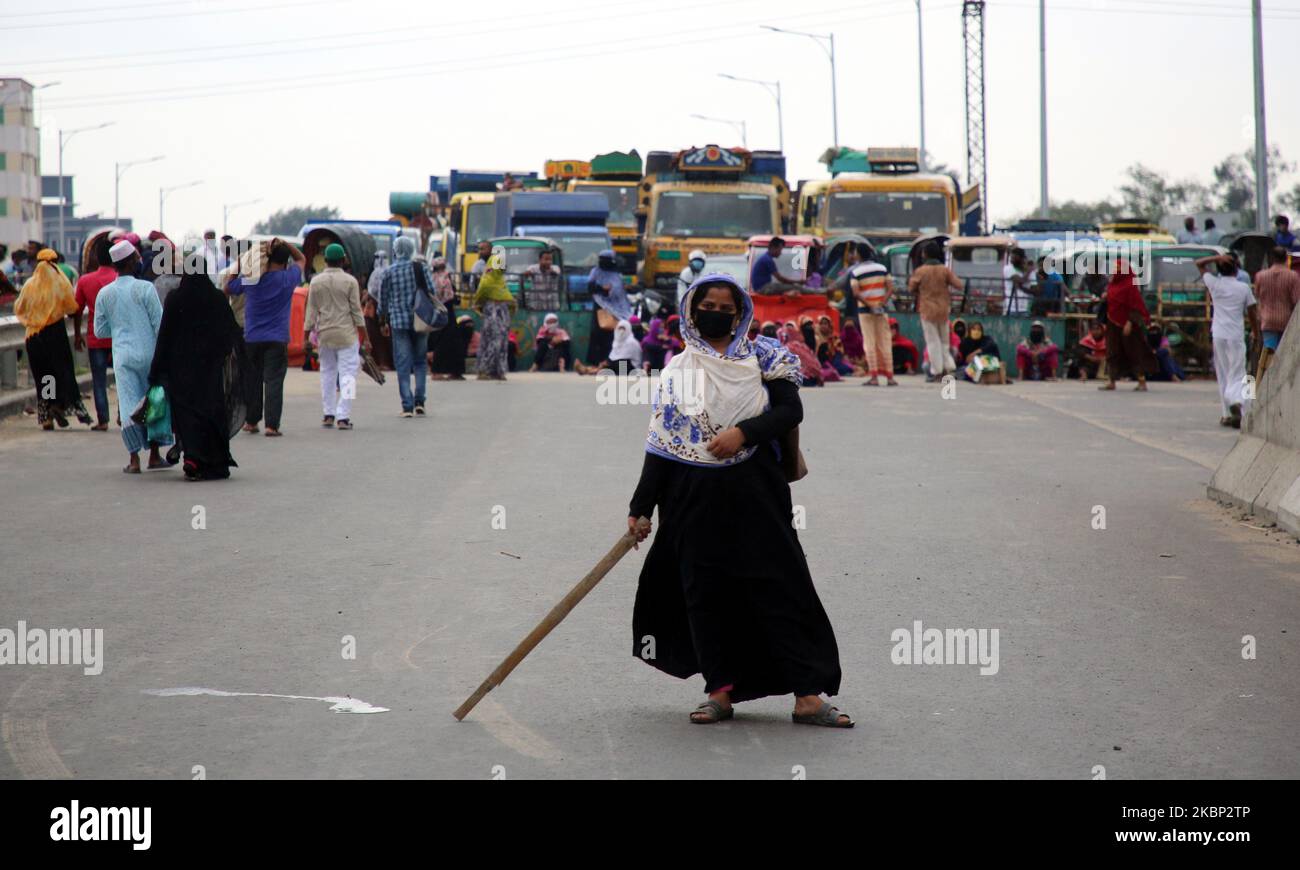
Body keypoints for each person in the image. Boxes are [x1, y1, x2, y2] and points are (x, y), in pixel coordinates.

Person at [627, 272, 849, 727]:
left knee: (781, 584)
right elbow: (660, 445)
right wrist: (640, 508)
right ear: (692, 310)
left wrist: (743, 433)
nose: (717, 314)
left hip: (757, 490)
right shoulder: (677, 370)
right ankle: (719, 692)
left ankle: (808, 695)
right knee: (704, 593)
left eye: (727, 308)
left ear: (740, 313)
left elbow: (791, 409)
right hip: (691, 498)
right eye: (708, 305)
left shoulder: (765, 355)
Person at [148, 250, 245, 480]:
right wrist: (221, 355)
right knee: (211, 411)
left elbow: (165, 335)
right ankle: (213, 461)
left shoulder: (175, 298)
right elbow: (229, 334)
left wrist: (157, 369)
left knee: (187, 414)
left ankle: (192, 457)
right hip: (210, 368)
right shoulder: (217, 298)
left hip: (180, 369)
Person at [94, 240, 173, 471]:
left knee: (129, 404)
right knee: (152, 401)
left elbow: (100, 330)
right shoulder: (146, 288)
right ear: (130, 262)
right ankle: (155, 455)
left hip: (123, 356)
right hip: (149, 352)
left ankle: (134, 459)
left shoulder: (105, 293)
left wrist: (119, 329)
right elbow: (159, 324)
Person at [227, 238, 304, 435]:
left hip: (252, 337)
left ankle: (251, 422)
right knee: (274, 381)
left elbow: (229, 286)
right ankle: (271, 425)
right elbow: (301, 258)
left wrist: (242, 262)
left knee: (252, 379)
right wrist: (286, 245)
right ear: (285, 262)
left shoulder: (252, 279)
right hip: (277, 338)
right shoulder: (288, 279)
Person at [13, 249, 93, 431]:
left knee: (44, 376)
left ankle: (46, 417)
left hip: (33, 336)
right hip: (55, 334)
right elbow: (72, 308)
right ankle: (61, 405)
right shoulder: (60, 281)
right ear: (54, 261)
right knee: (62, 373)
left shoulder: (30, 284)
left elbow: (19, 307)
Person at [305, 243, 367, 429]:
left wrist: (305, 336)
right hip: (346, 335)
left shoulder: (316, 281)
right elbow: (357, 312)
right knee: (348, 375)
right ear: (342, 261)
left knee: (327, 373)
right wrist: (365, 337)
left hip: (324, 334)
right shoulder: (350, 281)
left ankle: (328, 414)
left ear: (325, 261)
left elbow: (311, 312)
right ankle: (343, 417)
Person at [1196, 254, 1259, 428]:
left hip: (1218, 335)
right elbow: (1252, 313)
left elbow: (1199, 263)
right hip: (1236, 336)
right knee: (1238, 372)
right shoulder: (1243, 287)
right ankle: (1237, 403)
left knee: (1223, 373)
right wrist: (1256, 333)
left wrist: (1217, 257)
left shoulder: (1214, 284)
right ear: (1237, 270)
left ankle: (1226, 414)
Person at [381, 236, 437, 409]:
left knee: (403, 364)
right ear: (411, 249)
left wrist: (382, 319)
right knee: (420, 361)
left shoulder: (389, 272)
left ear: (396, 250)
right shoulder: (421, 268)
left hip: (398, 323)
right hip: (420, 320)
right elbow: (432, 292)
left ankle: (407, 404)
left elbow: (383, 300)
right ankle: (420, 400)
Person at [73, 234, 119, 431]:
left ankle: (103, 420)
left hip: (95, 337)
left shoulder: (85, 281)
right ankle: (124, 417)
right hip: (119, 337)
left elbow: (76, 310)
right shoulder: (120, 279)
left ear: (96, 258)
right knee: (123, 379)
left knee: (99, 381)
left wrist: (77, 335)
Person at [1098, 258, 1157, 392]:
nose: (1115, 272)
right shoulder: (1112, 284)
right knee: (1112, 352)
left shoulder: (1130, 285)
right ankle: (1111, 381)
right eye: (1114, 269)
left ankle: (1141, 381)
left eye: (1118, 269)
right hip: (1112, 322)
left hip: (1129, 324)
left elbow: (1135, 306)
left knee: (1134, 351)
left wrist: (1130, 322)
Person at [907, 240, 962, 381]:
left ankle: (936, 371)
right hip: (943, 309)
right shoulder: (944, 270)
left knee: (933, 342)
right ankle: (949, 368)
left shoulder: (921, 271)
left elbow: (911, 287)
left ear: (925, 254)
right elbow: (959, 284)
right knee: (944, 341)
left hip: (927, 309)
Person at [578, 249, 631, 374]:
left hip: (617, 308)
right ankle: (596, 362)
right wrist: (603, 288)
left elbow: (620, 291)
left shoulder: (616, 273)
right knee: (598, 333)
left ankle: (608, 362)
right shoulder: (595, 272)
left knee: (612, 334)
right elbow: (590, 288)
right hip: (601, 307)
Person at [1253, 246, 1300, 380]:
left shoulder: (1261, 276)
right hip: (1286, 322)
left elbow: (1258, 296)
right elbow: (1296, 300)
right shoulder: (1292, 276)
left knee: (1269, 354)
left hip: (1267, 321)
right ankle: (1281, 381)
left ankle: (1267, 382)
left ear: (1272, 259)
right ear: (1286, 258)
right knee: (1284, 355)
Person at [850, 256, 896, 386]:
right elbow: (891, 288)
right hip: (881, 311)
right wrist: (881, 303)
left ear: (859, 254)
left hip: (865, 312)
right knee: (885, 342)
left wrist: (869, 305)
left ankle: (874, 377)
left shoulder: (856, 272)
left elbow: (855, 293)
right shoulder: (883, 269)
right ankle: (890, 377)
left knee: (869, 343)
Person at [470, 250, 515, 382]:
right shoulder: (488, 279)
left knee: (501, 342)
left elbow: (507, 296)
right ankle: (484, 370)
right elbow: (481, 293)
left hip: (502, 312)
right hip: (493, 311)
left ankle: (498, 371)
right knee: (492, 341)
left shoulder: (500, 280)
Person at [1003, 248, 1032, 315]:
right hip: (1012, 307)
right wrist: (1029, 271)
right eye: (1011, 257)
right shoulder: (1008, 269)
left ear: (1021, 259)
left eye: (1015, 257)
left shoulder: (1025, 270)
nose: (1012, 259)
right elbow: (1020, 281)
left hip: (1025, 308)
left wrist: (1028, 268)